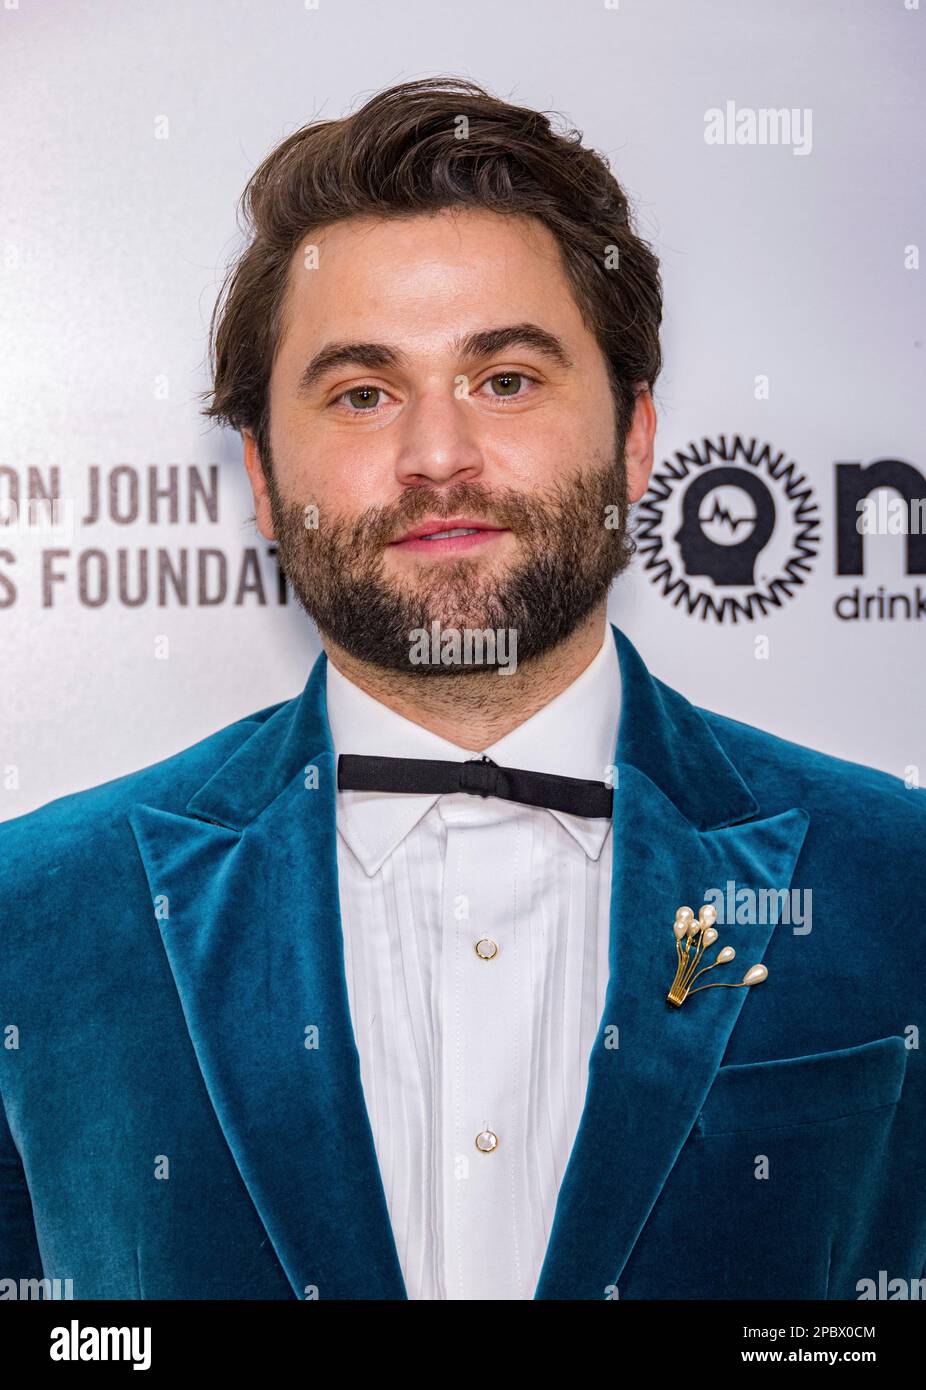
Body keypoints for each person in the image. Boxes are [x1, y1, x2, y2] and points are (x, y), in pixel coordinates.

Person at [1, 77, 923, 1303]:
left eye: (505, 379)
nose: (437, 455)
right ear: (263, 478)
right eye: (363, 393)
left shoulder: (892, 878)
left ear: (633, 437)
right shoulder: (37, 918)